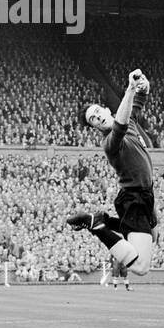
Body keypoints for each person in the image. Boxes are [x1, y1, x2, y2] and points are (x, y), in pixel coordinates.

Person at [67, 69, 156, 286]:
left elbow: (140, 98)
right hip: (132, 198)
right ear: (95, 127)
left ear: (106, 109)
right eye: (93, 120)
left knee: (154, 236)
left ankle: (104, 221)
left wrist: (143, 85)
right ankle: (96, 225)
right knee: (140, 267)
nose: (97, 117)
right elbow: (121, 124)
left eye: (97, 112)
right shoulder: (109, 143)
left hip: (144, 196)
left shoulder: (130, 120)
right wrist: (130, 88)